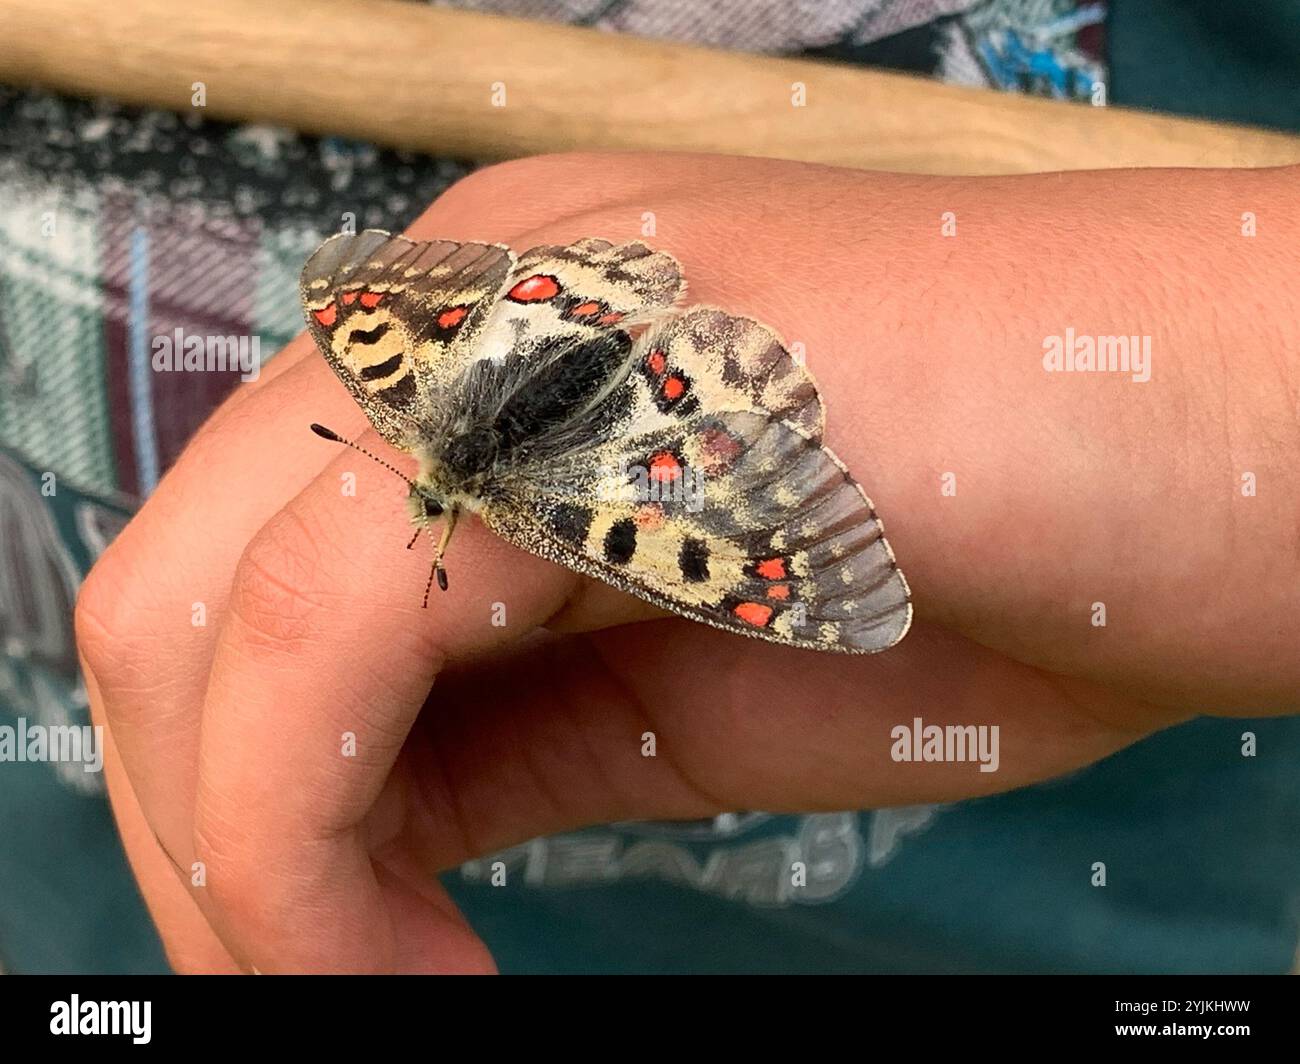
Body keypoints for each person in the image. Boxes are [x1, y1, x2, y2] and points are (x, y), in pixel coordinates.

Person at [74, 153, 1300, 973]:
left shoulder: (483, 497)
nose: (427, 504)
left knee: (662, 548)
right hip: (89, 877)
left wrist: (1243, 331)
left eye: (428, 500)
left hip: (1071, 925)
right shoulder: (504, 498)